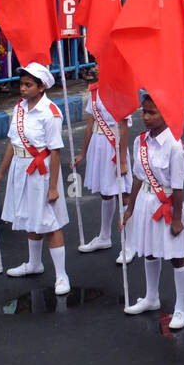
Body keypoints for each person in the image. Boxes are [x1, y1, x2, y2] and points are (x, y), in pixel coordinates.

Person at [0, 63, 71, 294]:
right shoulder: (19, 108)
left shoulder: (51, 112)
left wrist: (53, 187)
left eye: (28, 85)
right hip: (20, 168)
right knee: (28, 215)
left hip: (41, 172)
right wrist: (0, 173)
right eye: (21, 84)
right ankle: (34, 263)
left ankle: (62, 275)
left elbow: (55, 151)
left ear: (41, 86)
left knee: (49, 222)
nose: (23, 89)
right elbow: (12, 143)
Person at [121, 95, 184, 329]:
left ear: (165, 114)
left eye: (153, 113)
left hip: (168, 204)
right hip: (145, 202)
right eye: (144, 112)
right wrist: (130, 208)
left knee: (176, 255)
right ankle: (152, 297)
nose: (147, 118)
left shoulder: (174, 145)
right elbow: (138, 177)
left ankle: (181, 307)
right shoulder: (140, 141)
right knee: (149, 251)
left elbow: (179, 187)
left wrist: (178, 219)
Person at [73, 79, 130, 256]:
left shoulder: (121, 91)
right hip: (97, 144)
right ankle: (104, 236)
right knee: (105, 192)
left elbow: (123, 128)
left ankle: (130, 243)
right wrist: (82, 153)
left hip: (114, 145)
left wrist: (122, 161)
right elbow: (90, 123)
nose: (97, 68)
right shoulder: (94, 91)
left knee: (124, 194)